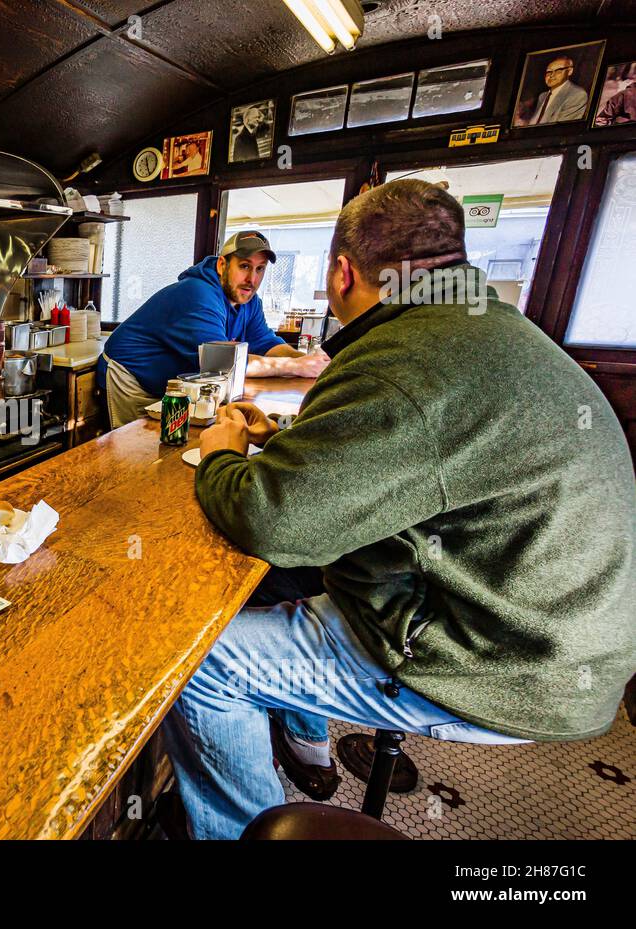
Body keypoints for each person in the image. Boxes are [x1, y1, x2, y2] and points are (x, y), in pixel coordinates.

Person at [166, 179, 636, 840]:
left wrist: (220, 451)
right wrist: (290, 447)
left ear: (342, 270)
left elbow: (272, 521)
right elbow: (432, 463)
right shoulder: (483, 329)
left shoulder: (401, 359)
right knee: (291, 583)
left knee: (198, 669)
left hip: (501, 661)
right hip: (561, 634)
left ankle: (242, 833)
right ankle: (308, 748)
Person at [98, 231, 329, 428]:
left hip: (172, 389)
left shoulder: (249, 301)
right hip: (131, 377)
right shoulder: (198, 294)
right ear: (222, 265)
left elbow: (267, 343)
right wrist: (297, 366)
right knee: (135, 453)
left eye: (260, 269)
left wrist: (310, 363)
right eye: (244, 266)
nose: (252, 278)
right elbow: (225, 363)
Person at [526, 56, 590, 125]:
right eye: (549, 71)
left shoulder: (577, 94)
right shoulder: (542, 96)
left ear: (570, 71)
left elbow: (561, 129)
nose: (551, 75)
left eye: (558, 71)